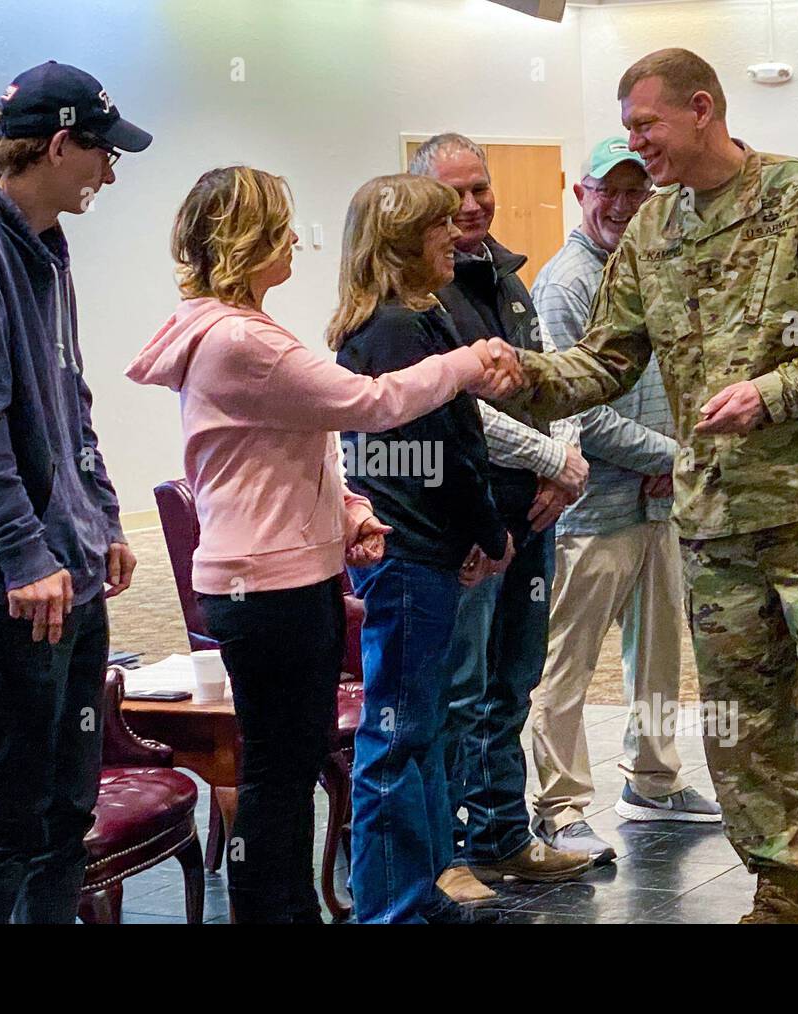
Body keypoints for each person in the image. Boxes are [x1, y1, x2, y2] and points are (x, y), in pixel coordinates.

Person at [505, 48, 798, 924]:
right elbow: (607, 360)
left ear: (702, 109)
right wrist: (514, 376)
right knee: (742, 714)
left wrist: (776, 392)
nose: (637, 144)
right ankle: (778, 889)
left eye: (646, 126)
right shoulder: (653, 233)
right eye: (627, 129)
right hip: (717, 519)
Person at [126, 167, 517, 923]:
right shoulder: (239, 339)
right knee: (279, 771)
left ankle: (291, 909)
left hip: (276, 575)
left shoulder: (239, 330)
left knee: (289, 763)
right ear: (251, 240)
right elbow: (367, 404)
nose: (297, 244)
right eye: (283, 229)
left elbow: (272, 452)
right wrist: (467, 364)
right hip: (266, 587)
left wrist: (345, 512)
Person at [0, 61, 149, 923]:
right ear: (57, 145)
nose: (109, 172)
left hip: (69, 575)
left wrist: (102, 518)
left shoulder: (47, 247)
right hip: (13, 591)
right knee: (8, 817)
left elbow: (69, 397)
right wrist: (23, 554)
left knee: (64, 812)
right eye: (102, 154)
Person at [330, 173, 527, 923]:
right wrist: (484, 530)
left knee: (422, 729)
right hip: (409, 556)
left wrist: (471, 532)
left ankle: (421, 883)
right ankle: (389, 907)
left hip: (427, 549)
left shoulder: (417, 317)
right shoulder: (394, 330)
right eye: (439, 225)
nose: (456, 233)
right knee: (396, 738)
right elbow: (439, 450)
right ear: (401, 241)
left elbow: (454, 441)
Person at [409, 133, 592, 902]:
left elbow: (551, 376)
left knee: (513, 682)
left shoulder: (511, 282)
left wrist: (567, 456)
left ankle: (501, 835)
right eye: (456, 193)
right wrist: (553, 461)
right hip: (472, 521)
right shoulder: (420, 295)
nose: (475, 203)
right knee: (463, 688)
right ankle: (449, 853)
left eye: (481, 187)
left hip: (536, 514)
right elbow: (464, 412)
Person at [529, 136, 720, 864]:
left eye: (637, 191)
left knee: (659, 657)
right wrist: (674, 458)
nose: (623, 203)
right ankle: (561, 805)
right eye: (610, 189)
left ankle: (653, 782)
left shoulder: (646, 268)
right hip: (589, 513)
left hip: (655, 506)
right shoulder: (566, 284)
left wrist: (670, 465)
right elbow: (579, 413)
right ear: (582, 194)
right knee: (566, 668)